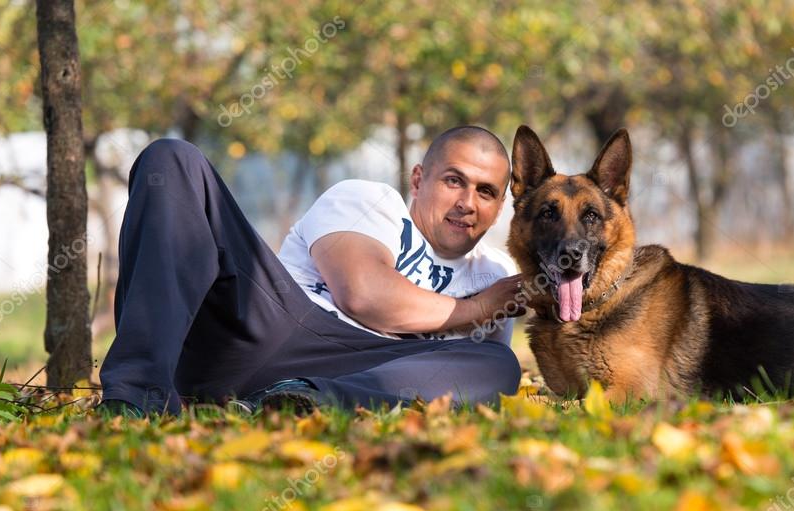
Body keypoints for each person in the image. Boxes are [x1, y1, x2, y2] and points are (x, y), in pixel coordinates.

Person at [97, 126, 524, 417]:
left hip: (359, 372)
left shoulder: (495, 272)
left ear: (500, 206)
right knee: (172, 158)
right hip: (276, 324)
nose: (468, 202)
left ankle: (301, 402)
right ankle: (138, 395)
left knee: (497, 363)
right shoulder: (369, 200)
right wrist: (483, 306)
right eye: (454, 180)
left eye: (485, 191)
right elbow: (363, 295)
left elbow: (458, 372)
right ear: (418, 180)